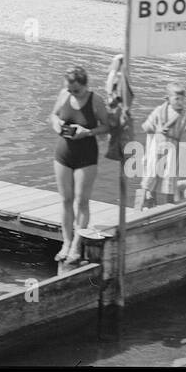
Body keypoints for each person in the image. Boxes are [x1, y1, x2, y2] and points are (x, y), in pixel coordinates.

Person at [49, 65, 104, 262]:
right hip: (63, 153)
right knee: (65, 199)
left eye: (76, 90)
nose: (72, 93)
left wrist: (87, 131)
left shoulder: (95, 100)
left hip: (86, 156)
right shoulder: (64, 94)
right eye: (69, 89)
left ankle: (76, 245)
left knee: (81, 201)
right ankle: (66, 241)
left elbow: (107, 127)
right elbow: (53, 115)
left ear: (85, 85)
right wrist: (56, 124)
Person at [138, 84, 186, 209]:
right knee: (150, 178)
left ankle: (169, 208)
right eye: (177, 99)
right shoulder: (159, 110)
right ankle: (143, 205)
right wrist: (157, 129)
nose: (180, 102)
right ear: (168, 98)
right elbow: (146, 127)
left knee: (169, 181)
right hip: (155, 148)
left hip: (171, 151)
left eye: (182, 99)